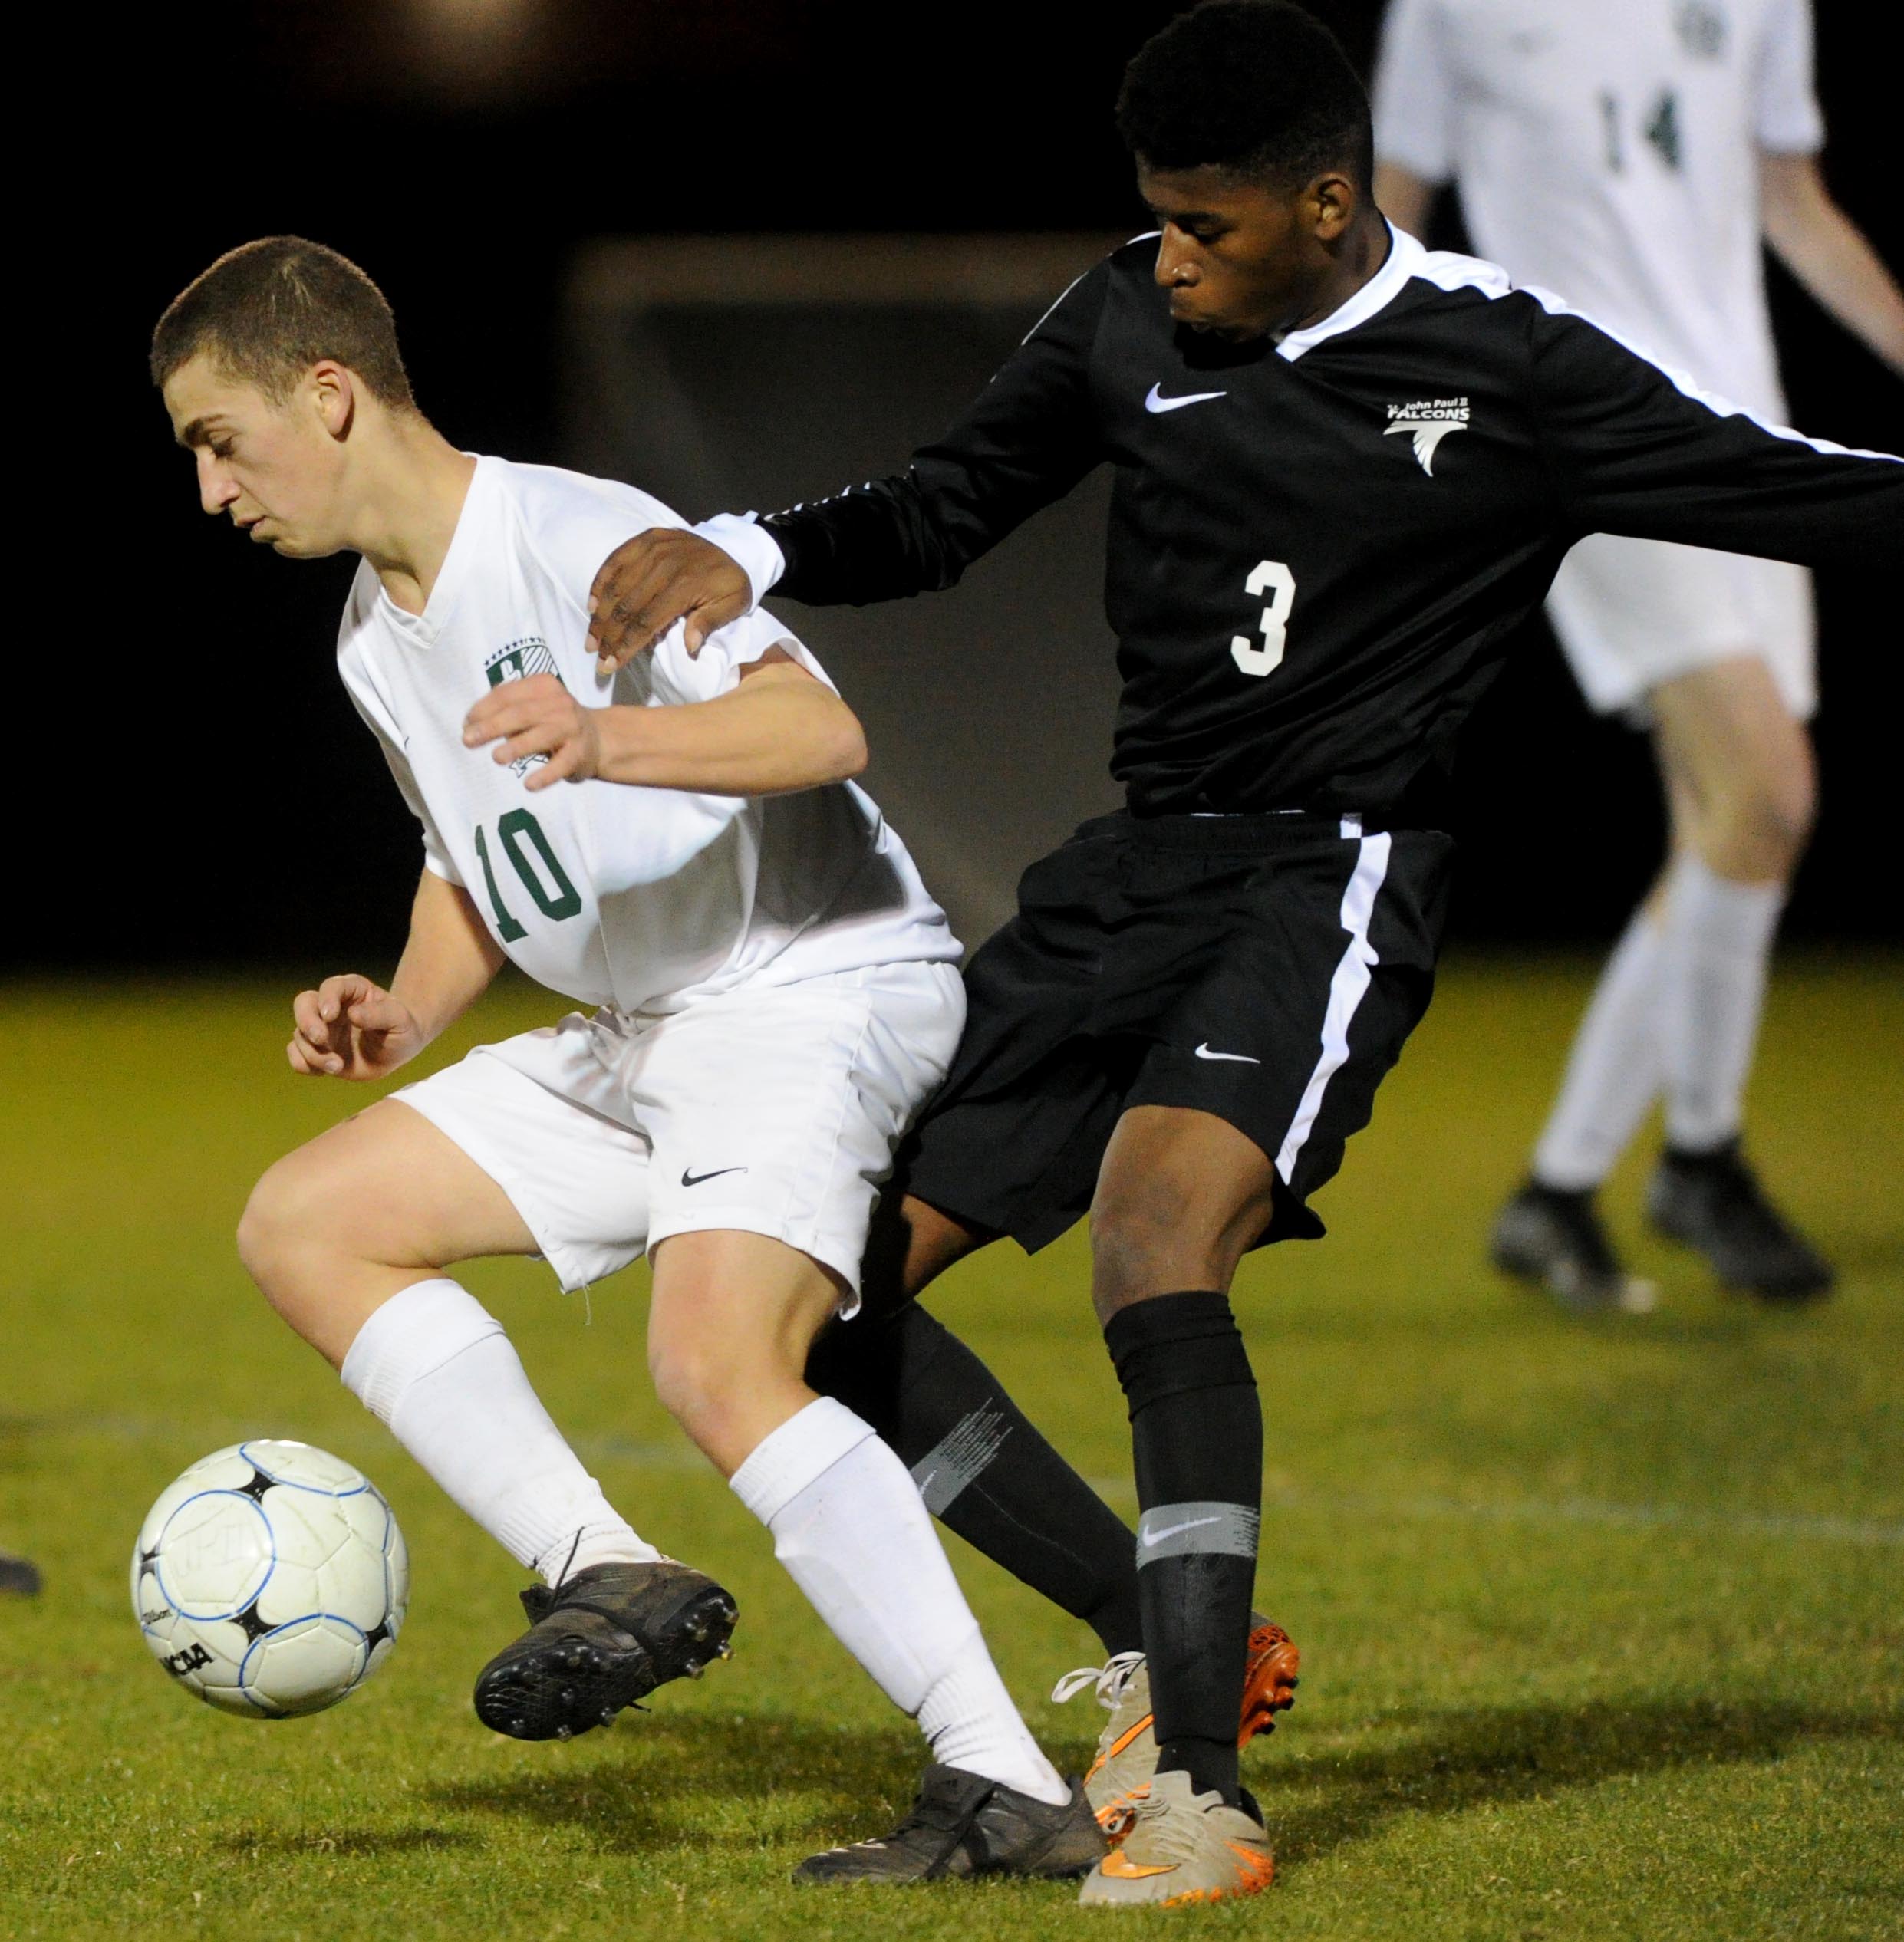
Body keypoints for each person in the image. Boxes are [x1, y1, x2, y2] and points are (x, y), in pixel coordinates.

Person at [585, 0, 1900, 1906]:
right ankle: (1163, 1626)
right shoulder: (1121, 313)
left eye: (1206, 225)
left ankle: (1195, 1790)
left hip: (1329, 884)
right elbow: (952, 500)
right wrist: (755, 550)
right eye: (1155, 219)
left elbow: (1801, 484)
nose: (1169, 257)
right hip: (1123, 878)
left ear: (1325, 201)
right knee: (829, 1287)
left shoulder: (1500, 362)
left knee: (1151, 1240)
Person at [152, 235, 1106, 1886]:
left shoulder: (581, 535)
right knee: (305, 1221)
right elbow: (473, 858)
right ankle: (604, 1568)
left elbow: (821, 733)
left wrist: (613, 732)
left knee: (715, 1363)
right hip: (641, 1031)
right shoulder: (373, 640)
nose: (210, 490)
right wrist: (403, 1003)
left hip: (811, 981)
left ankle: (998, 1778)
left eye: (215, 439)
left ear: (324, 394)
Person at [1372, 0, 1904, 1310]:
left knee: (1733, 833)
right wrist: (1396, 424)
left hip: (1750, 436)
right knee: (1769, 791)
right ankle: (1686, 1163)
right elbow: (1390, 225)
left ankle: (1586, 1187)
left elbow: (1791, 201)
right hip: (1582, 439)